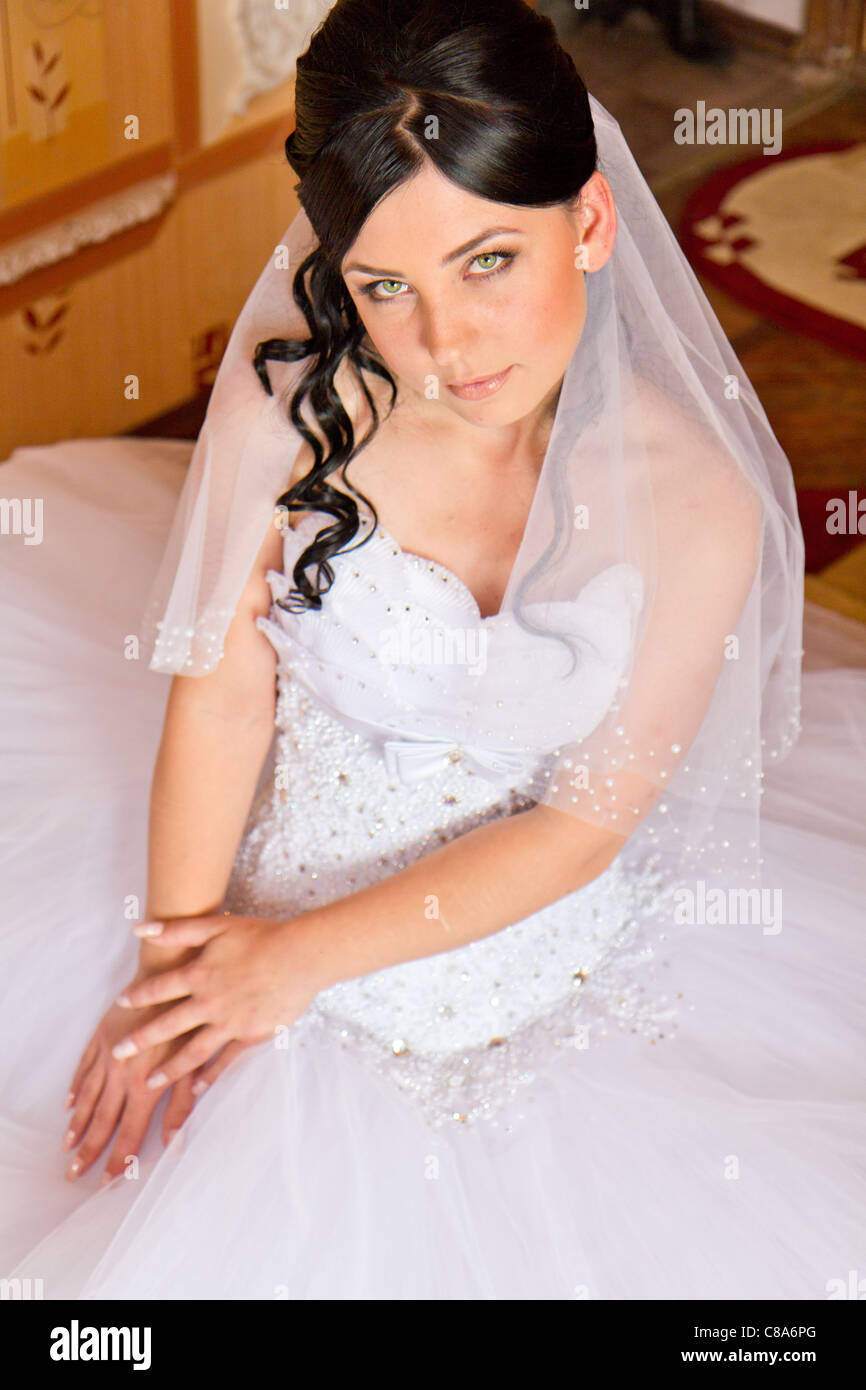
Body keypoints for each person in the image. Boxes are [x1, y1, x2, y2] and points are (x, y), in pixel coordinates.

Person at [1, 0, 864, 1300]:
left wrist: (290, 962)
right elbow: (225, 697)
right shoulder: (294, 411)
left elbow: (582, 824)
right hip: (259, 880)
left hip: (536, 935)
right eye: (383, 285)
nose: (444, 345)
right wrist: (176, 962)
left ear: (586, 221)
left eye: (485, 262)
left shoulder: (695, 498)